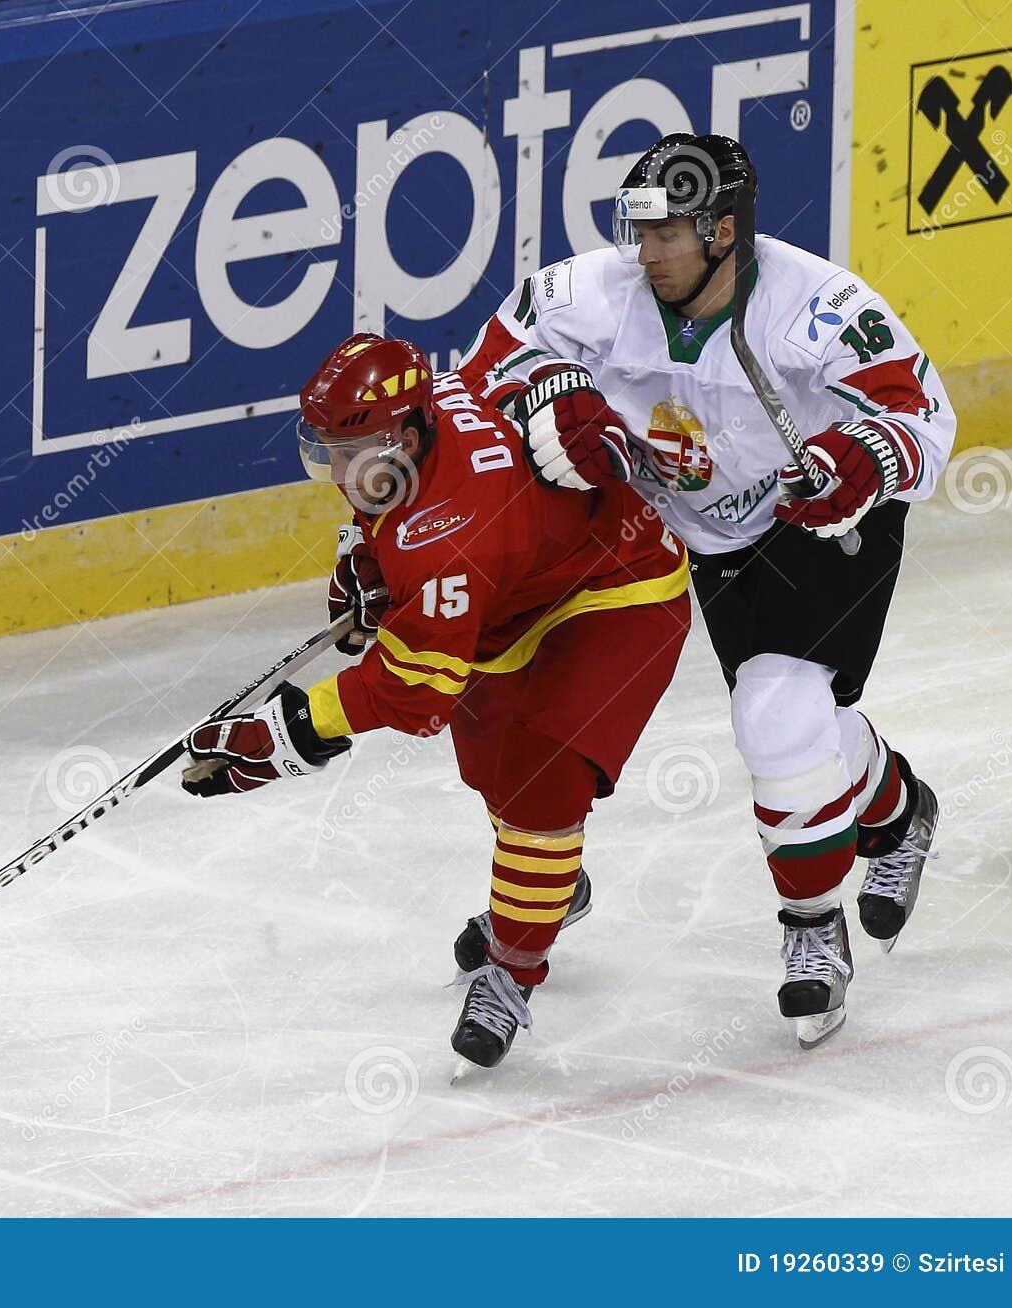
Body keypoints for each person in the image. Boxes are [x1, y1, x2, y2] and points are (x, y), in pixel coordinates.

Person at [457, 133, 954, 1047]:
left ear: (725, 232)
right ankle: (897, 810)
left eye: (667, 235)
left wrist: (862, 457)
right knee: (780, 725)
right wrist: (548, 394)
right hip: (688, 533)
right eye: (636, 230)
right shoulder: (591, 295)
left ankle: (814, 932)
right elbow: (480, 372)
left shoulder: (822, 307)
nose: (643, 253)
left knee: (776, 715)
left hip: (819, 518)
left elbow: (921, 413)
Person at [179, 333, 691, 1070]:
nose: (339, 470)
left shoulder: (447, 535)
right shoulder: (425, 419)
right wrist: (368, 558)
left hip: (614, 589)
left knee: (538, 782)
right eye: (328, 449)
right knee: (494, 776)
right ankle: (550, 883)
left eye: (355, 450)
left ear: (409, 435)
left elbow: (417, 693)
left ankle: (510, 973)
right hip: (506, 600)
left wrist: (289, 734)